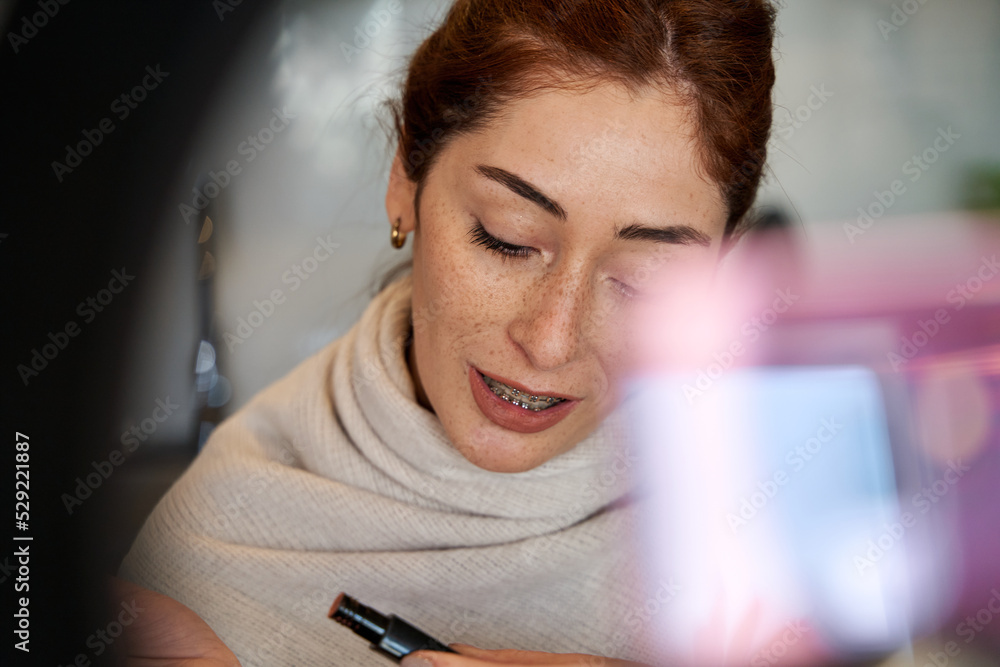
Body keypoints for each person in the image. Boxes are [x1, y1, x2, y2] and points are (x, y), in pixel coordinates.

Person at [115, 0, 778, 664]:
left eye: (644, 281)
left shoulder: (773, 547)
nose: (550, 341)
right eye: (505, 237)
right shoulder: (202, 554)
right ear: (406, 178)